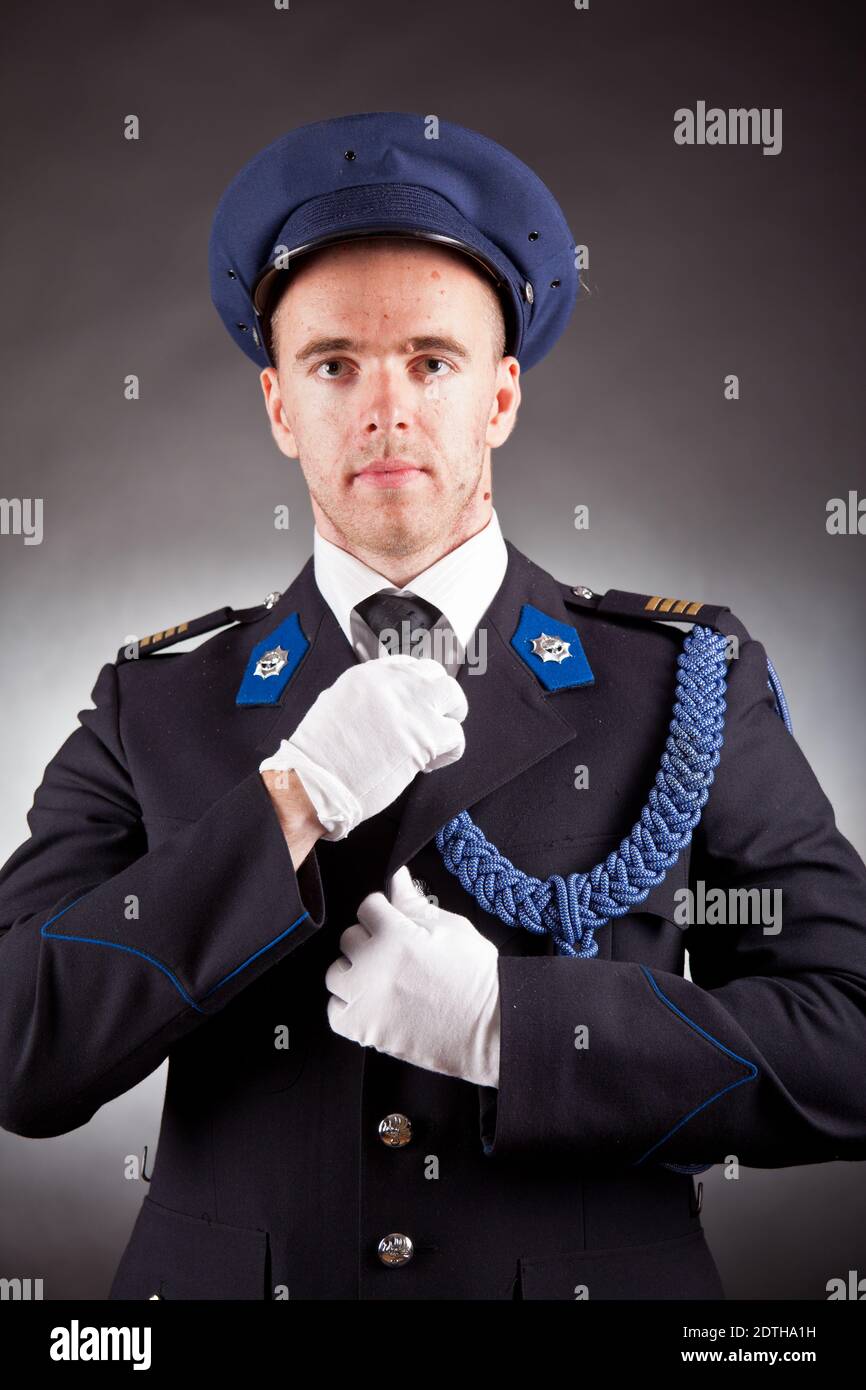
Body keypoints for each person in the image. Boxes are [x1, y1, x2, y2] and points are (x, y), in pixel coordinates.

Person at [1, 111, 865, 1302]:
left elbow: (851, 1042)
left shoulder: (682, 680)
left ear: (500, 395)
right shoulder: (156, 700)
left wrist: (520, 1030)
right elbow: (18, 1048)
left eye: (431, 359)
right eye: (333, 363)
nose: (385, 407)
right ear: (276, 405)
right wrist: (284, 807)